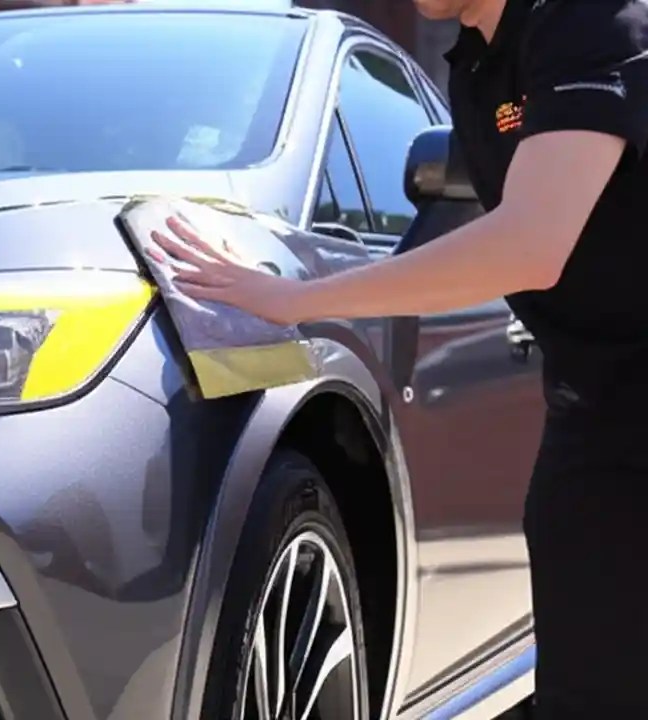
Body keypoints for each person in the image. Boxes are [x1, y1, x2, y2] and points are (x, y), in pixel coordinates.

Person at [152, 0, 648, 716]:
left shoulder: (588, 19)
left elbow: (530, 243)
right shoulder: (475, 68)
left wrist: (299, 299)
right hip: (594, 412)